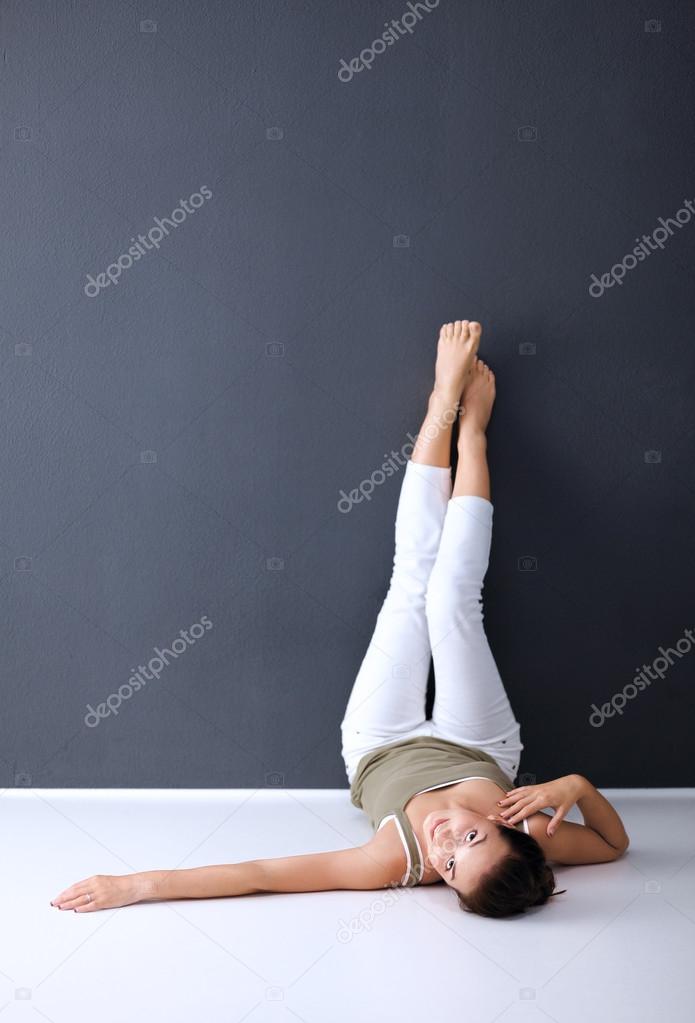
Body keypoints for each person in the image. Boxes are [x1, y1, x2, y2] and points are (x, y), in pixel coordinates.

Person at [51, 321, 629, 918]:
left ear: (446, 884)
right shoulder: (533, 827)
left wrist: (136, 886)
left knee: (411, 585)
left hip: (380, 746)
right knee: (452, 598)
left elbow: (263, 875)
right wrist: (577, 787)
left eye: (451, 867)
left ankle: (441, 406)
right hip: (478, 746)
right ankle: (473, 434)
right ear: (507, 830)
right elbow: (615, 845)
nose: (447, 842)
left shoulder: (395, 859)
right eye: (473, 837)